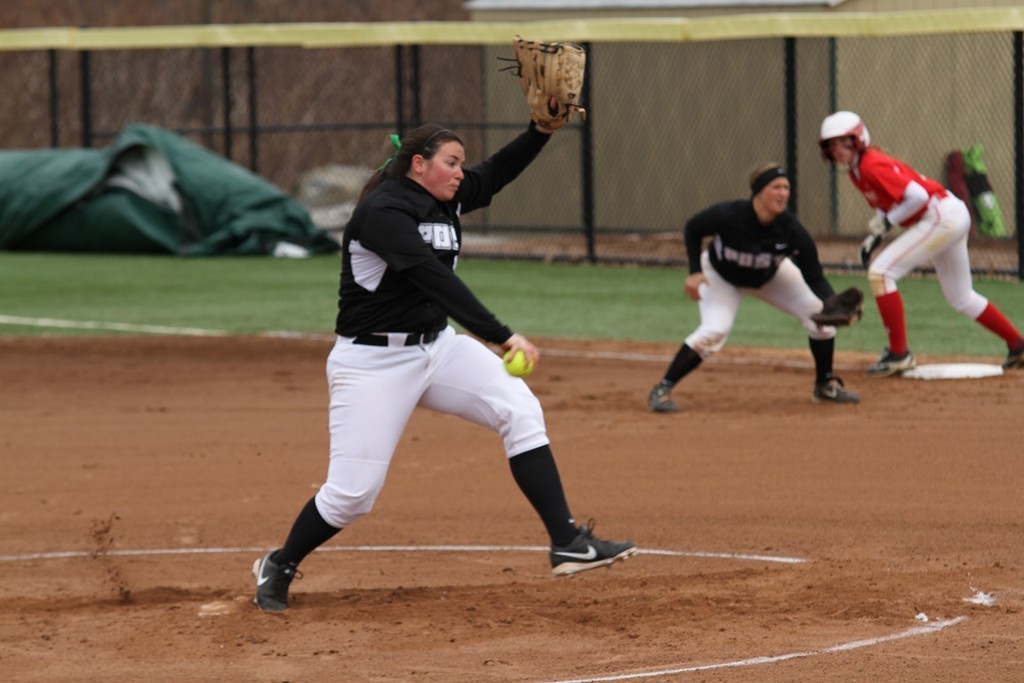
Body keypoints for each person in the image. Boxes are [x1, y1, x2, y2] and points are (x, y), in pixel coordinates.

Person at [252, 121, 636, 612]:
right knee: (353, 495)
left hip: (438, 348)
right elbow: (431, 277)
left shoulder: (446, 197)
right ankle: (280, 563)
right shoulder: (381, 211)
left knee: (519, 410)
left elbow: (498, 172)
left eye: (460, 164)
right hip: (373, 362)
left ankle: (567, 541)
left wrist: (540, 130)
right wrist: (500, 334)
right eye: (451, 162)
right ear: (419, 165)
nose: (460, 173)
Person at [818, 111, 1024, 375]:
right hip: (947, 213)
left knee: (882, 273)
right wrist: (875, 236)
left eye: (843, 142)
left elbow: (916, 197)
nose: (837, 150)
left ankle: (899, 354)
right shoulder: (858, 170)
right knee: (961, 297)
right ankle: (1018, 345)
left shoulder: (870, 164)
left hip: (939, 216)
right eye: (831, 145)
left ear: (858, 139)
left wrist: (887, 223)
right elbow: (889, 203)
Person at [647, 163, 859, 413]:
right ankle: (662, 388)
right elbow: (693, 227)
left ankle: (825, 385)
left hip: (771, 276)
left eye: (786, 188)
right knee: (715, 330)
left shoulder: (791, 231)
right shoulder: (730, 215)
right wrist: (695, 272)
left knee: (819, 318)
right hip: (721, 276)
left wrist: (829, 301)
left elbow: (814, 275)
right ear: (759, 192)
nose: (783, 194)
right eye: (776, 187)